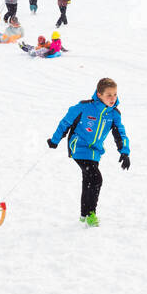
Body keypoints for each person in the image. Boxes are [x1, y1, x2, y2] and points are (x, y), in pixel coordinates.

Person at [47, 77, 130, 227]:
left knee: (88, 180)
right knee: (96, 178)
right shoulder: (83, 107)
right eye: (109, 95)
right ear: (99, 94)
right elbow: (65, 123)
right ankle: (91, 214)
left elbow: (120, 134)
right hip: (78, 147)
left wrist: (124, 152)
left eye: (115, 94)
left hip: (95, 152)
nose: (113, 98)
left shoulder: (114, 114)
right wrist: (55, 140)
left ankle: (84, 215)